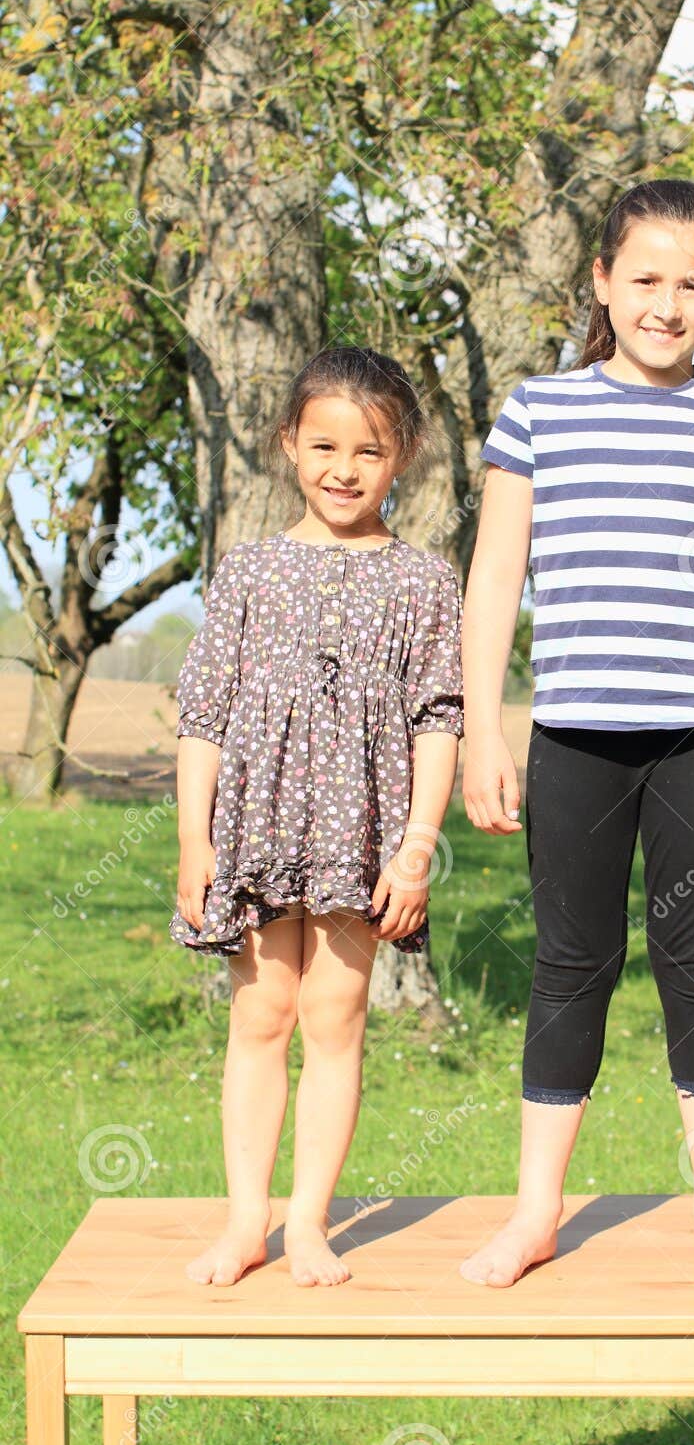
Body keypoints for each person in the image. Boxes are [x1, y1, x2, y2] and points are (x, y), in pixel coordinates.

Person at [459, 178, 694, 1293]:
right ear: (601, 282)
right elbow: (495, 576)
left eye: (692, 283)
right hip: (576, 737)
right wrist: (482, 732)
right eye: (644, 278)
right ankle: (535, 1213)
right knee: (572, 965)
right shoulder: (537, 411)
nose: (666, 302)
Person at [171, 347, 463, 1288]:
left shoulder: (422, 581)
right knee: (261, 1015)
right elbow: (205, 715)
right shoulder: (249, 571)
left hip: (359, 841)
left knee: (334, 1015)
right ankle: (246, 1218)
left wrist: (416, 849)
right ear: (290, 444)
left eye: (369, 451)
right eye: (325, 444)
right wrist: (192, 839)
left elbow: (438, 719)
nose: (344, 468)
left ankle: (309, 1224)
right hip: (254, 832)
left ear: (403, 456)